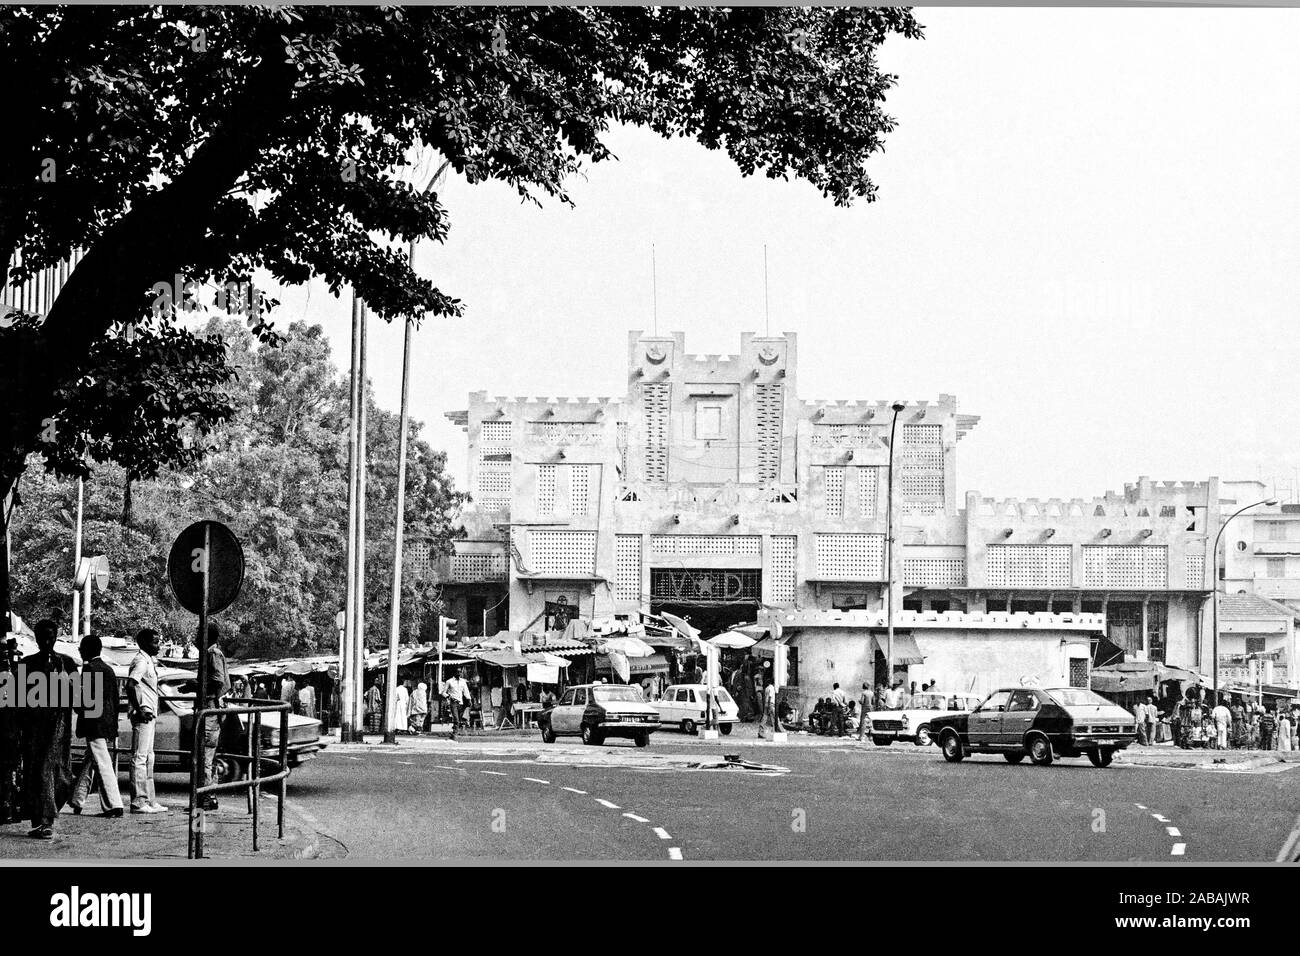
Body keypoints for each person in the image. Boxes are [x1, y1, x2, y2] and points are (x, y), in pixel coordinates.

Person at [17, 620, 77, 838]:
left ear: (57, 635)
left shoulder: (68, 663)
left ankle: (46, 817)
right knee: (40, 773)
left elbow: (80, 699)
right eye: (43, 637)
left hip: (59, 728)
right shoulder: (27, 664)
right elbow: (18, 700)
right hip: (35, 728)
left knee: (59, 774)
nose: (47, 641)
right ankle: (44, 820)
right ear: (36, 637)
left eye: (51, 637)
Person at [69, 634, 125, 819]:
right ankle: (77, 799)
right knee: (91, 761)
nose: (80, 651)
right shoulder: (108, 669)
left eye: (81, 648)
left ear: (86, 650)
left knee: (101, 762)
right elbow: (114, 701)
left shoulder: (89, 669)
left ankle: (113, 805)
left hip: (94, 723)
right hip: (106, 723)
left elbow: (84, 700)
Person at [126, 627, 168, 815]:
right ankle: (138, 801)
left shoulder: (149, 661)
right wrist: (138, 708)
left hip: (149, 714)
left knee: (148, 757)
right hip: (144, 714)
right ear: (143, 643)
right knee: (140, 758)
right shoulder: (141, 661)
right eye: (155, 642)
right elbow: (131, 684)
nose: (158, 645)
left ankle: (150, 799)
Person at [198, 623, 232, 811]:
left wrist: (198, 685)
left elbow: (218, 680)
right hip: (211, 708)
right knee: (208, 756)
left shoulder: (212, 654)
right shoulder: (212, 653)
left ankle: (205, 796)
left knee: (206, 756)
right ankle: (208, 796)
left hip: (211, 708)